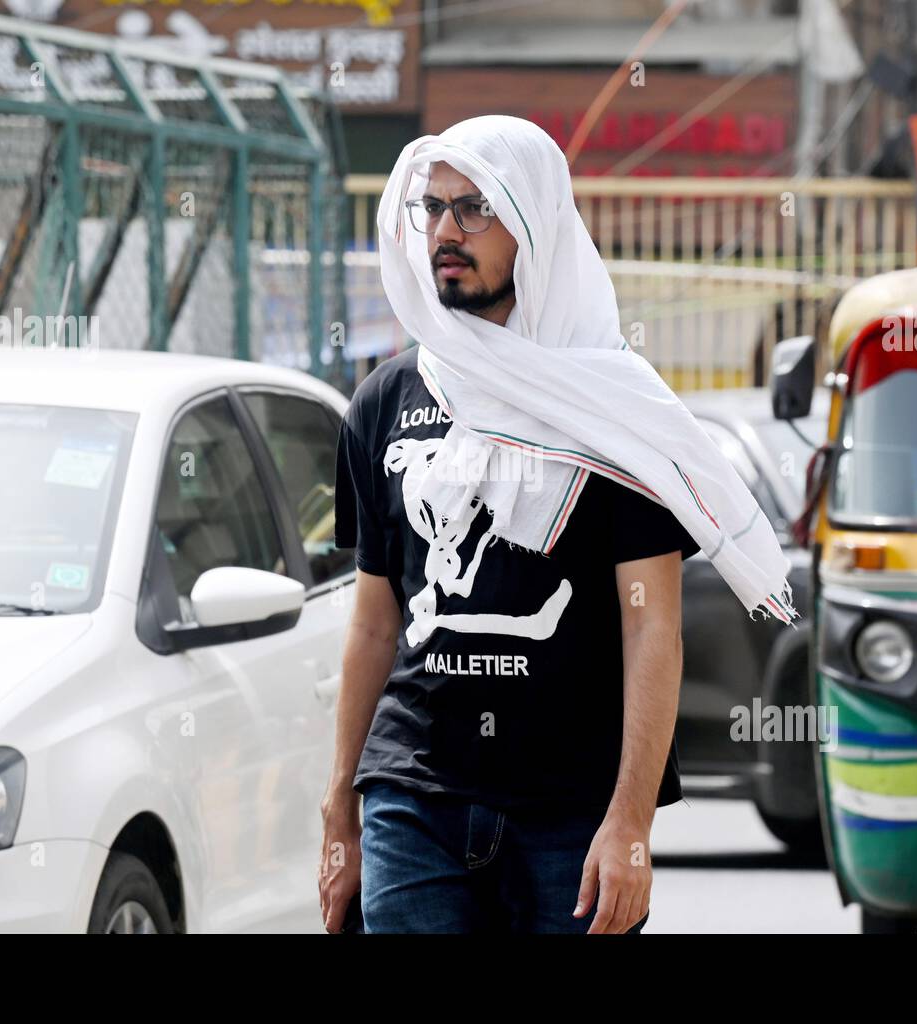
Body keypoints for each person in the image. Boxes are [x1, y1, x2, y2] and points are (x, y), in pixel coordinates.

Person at [318, 115, 795, 934]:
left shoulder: (612, 412)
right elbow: (372, 623)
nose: (444, 231)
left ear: (533, 223)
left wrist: (632, 824)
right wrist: (339, 808)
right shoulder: (385, 401)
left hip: (570, 817)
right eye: (431, 209)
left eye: (474, 208)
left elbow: (654, 632)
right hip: (412, 795)